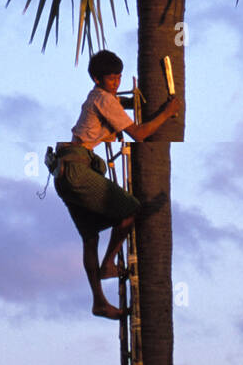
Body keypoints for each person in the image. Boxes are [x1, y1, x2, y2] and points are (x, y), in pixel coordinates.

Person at [53, 50, 179, 320]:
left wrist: (129, 104)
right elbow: (139, 134)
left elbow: (117, 115)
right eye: (111, 78)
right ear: (97, 79)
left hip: (63, 172)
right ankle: (109, 263)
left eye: (119, 76)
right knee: (131, 210)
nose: (116, 82)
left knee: (90, 238)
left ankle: (99, 302)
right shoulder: (104, 98)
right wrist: (168, 112)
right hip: (76, 167)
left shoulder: (97, 98)